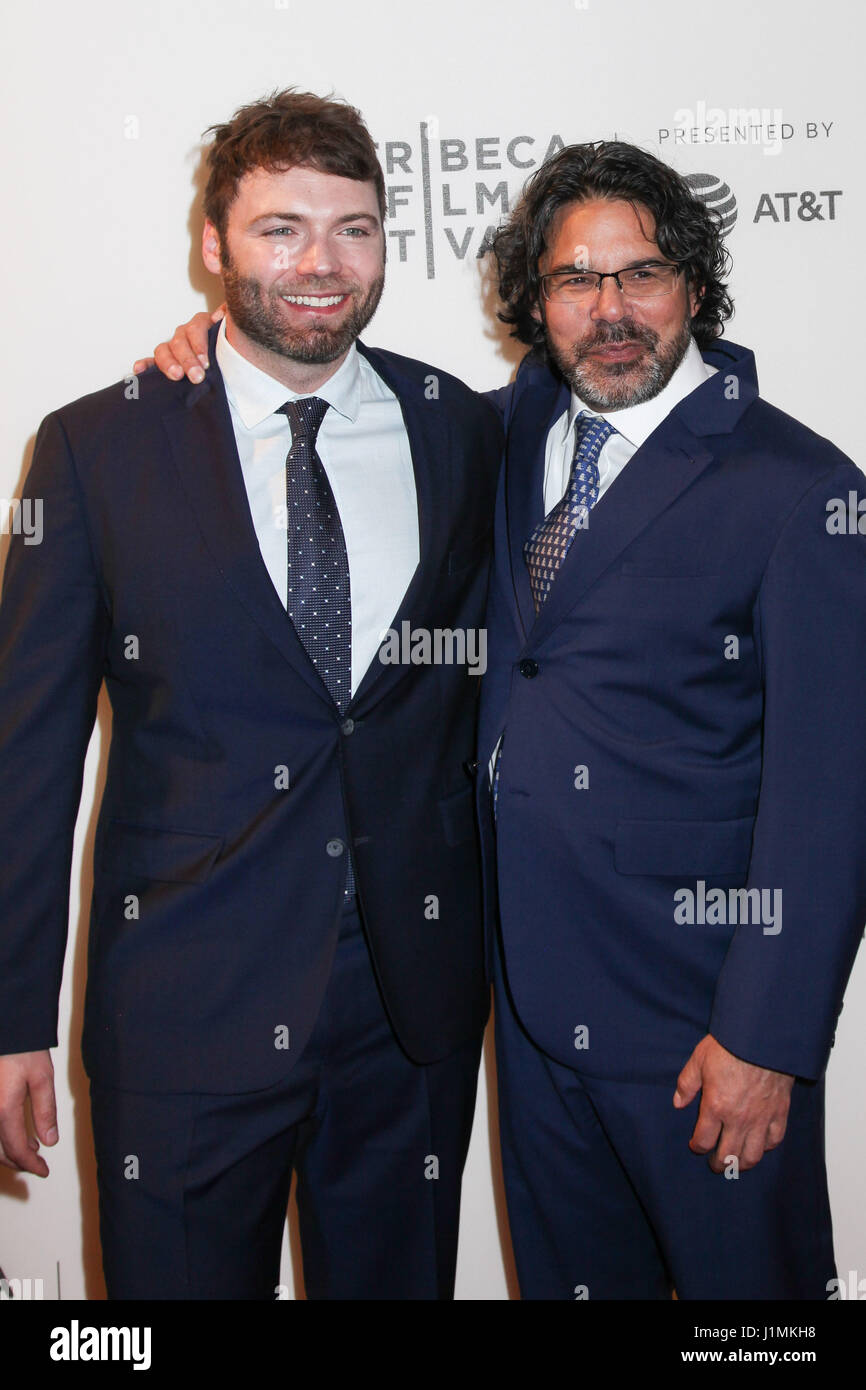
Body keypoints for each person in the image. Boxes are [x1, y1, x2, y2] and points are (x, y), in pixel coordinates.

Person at [0, 89, 502, 1300]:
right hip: (180, 1009)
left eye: (354, 229)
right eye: (280, 230)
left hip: (407, 1020)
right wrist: (13, 1011)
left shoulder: (464, 432)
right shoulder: (94, 449)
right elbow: (24, 756)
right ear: (214, 245)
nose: (320, 266)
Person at [477, 140, 866, 1298]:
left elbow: (829, 794)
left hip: (700, 1030)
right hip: (530, 1014)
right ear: (532, 301)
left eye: (638, 274)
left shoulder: (800, 489)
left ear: (692, 285)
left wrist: (766, 1038)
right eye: (572, 280)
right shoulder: (504, 440)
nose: (608, 311)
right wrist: (215, 352)